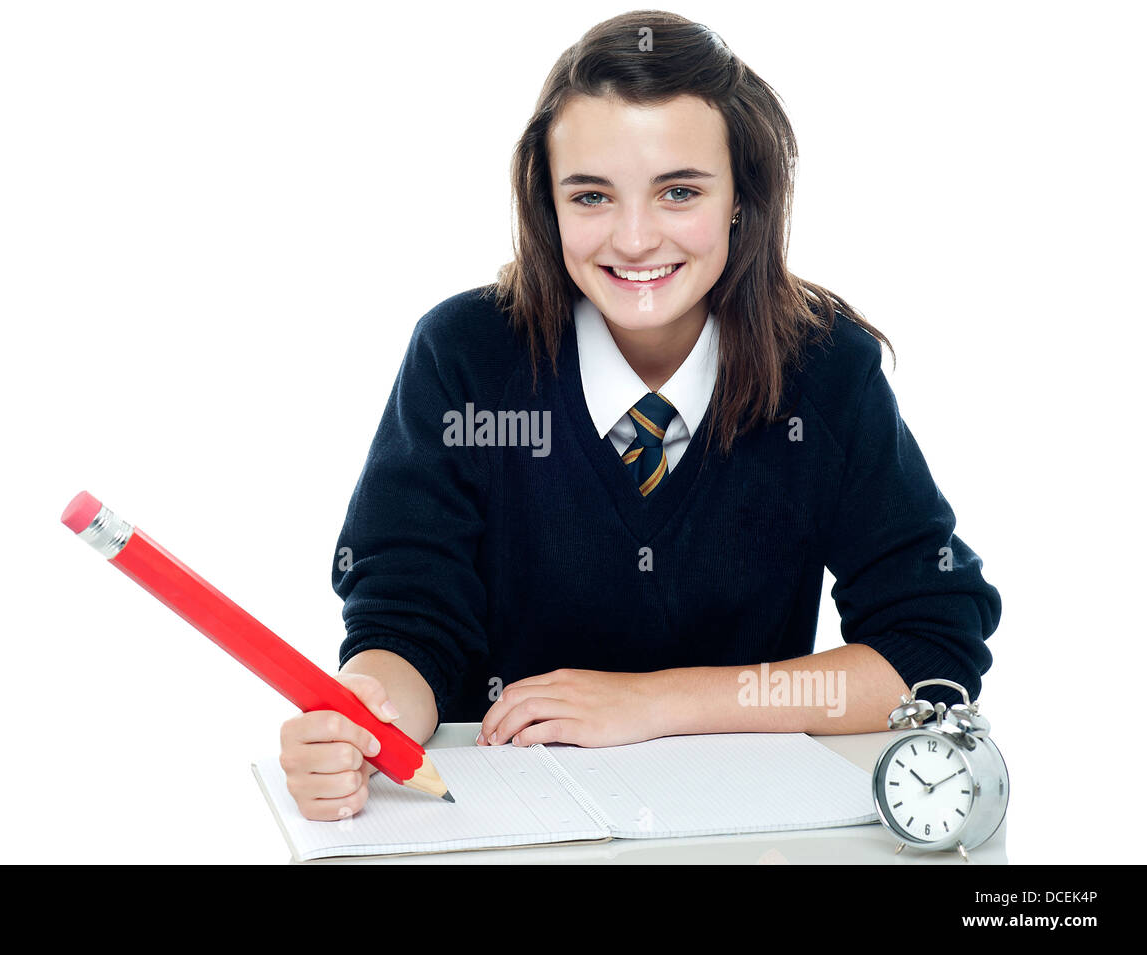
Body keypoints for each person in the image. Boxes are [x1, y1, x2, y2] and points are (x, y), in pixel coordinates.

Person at [279, 10, 1002, 822]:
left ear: (743, 199)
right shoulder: (465, 355)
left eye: (680, 191)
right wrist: (370, 713)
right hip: (502, 816)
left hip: (741, 825)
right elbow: (408, 620)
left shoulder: (826, 369)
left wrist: (655, 703)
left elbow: (930, 642)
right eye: (590, 195)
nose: (632, 239)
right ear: (547, 206)